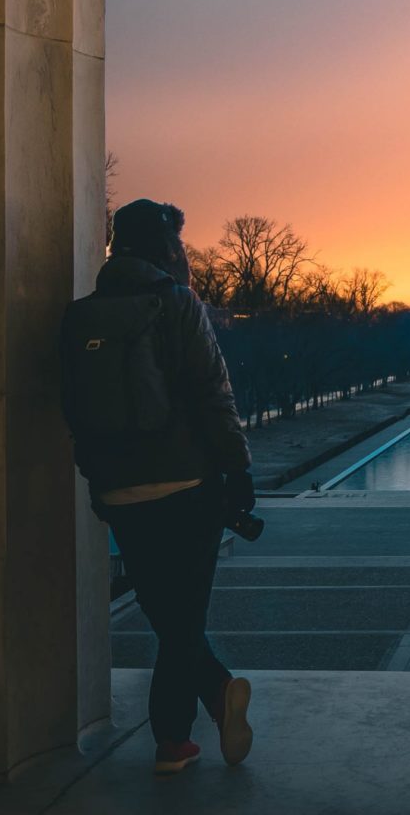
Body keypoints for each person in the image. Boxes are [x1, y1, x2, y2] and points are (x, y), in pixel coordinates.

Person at [62, 197, 257, 776]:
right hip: (186, 483)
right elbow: (212, 395)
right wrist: (238, 469)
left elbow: (72, 408)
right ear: (169, 247)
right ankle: (173, 739)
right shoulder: (177, 303)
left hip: (120, 489)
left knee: (166, 614)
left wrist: (98, 478)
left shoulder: (79, 315)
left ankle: (219, 694)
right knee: (184, 618)